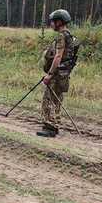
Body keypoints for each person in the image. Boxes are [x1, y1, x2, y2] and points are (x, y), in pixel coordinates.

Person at [37, 9, 75, 138]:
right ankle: (55, 125)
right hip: (64, 74)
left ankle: (50, 127)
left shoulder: (61, 36)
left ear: (59, 22)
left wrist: (49, 74)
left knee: (48, 100)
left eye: (53, 22)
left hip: (57, 74)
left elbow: (58, 57)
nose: (51, 24)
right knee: (57, 100)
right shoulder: (70, 36)